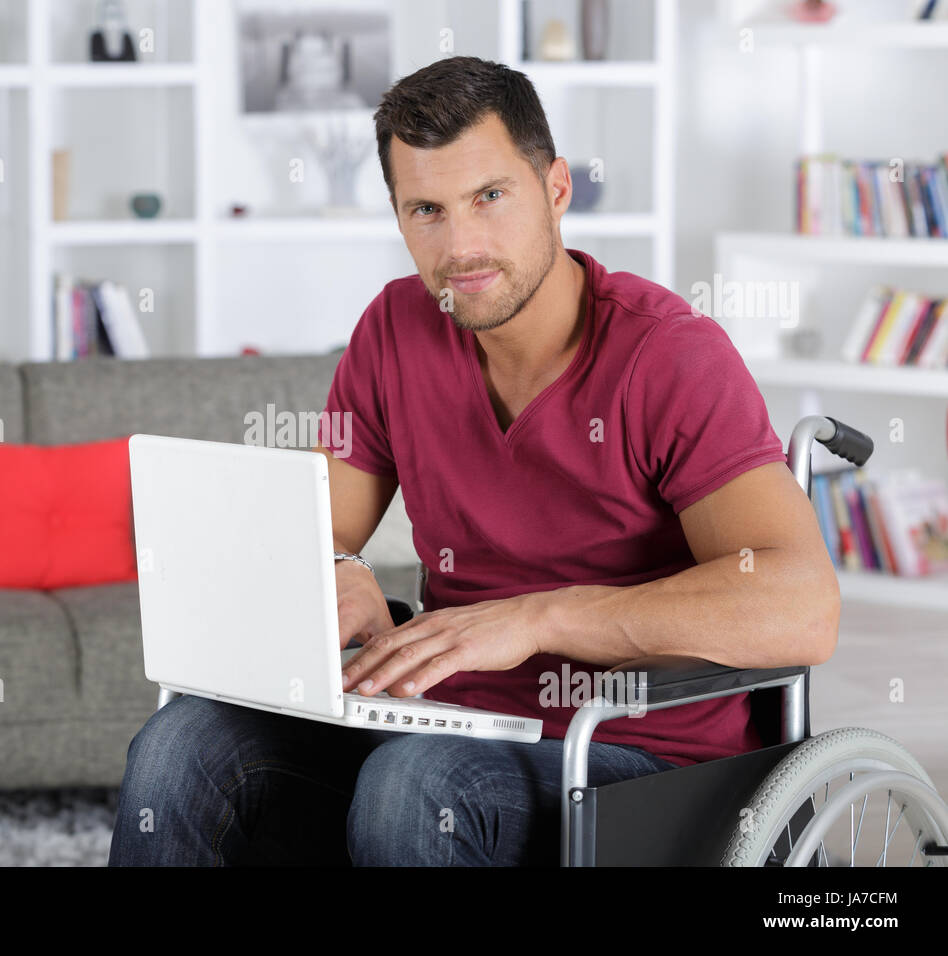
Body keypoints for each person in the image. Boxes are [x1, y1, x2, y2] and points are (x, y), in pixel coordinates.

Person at [108, 55, 840, 866]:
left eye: (490, 197)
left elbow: (799, 606)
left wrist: (536, 619)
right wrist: (335, 569)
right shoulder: (394, 330)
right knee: (184, 747)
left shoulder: (669, 356)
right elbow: (318, 533)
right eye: (427, 210)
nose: (461, 246)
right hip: (443, 726)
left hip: (642, 758)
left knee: (416, 783)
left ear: (555, 189)